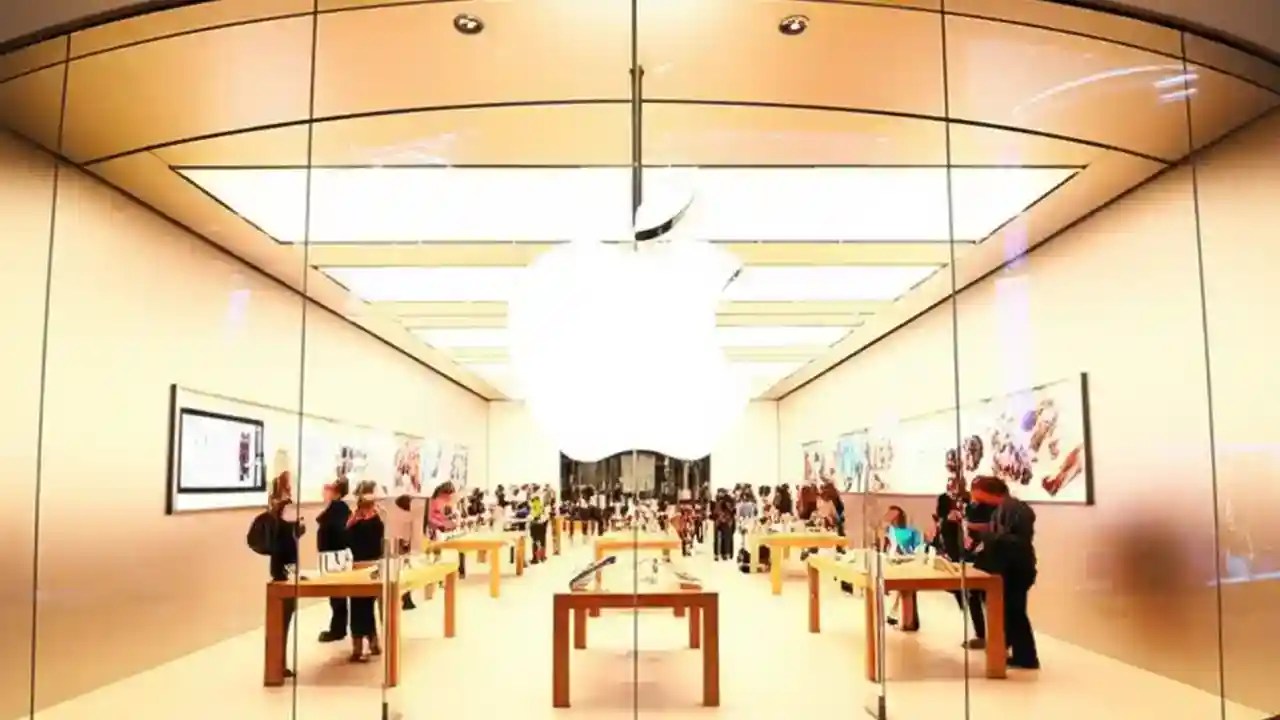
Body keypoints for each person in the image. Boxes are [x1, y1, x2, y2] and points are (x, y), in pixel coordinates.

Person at [970, 475, 1040, 670]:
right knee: (1010, 612)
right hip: (1010, 567)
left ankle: (1026, 657)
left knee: (1015, 612)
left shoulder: (1016, 510)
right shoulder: (1004, 509)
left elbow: (1015, 540)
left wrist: (985, 534)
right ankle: (1016, 652)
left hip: (1016, 568)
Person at [934, 472, 996, 650]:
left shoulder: (983, 506)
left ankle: (995, 636)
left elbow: (990, 527)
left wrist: (966, 524)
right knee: (972, 595)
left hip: (981, 553)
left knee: (986, 596)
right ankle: (981, 634)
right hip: (964, 552)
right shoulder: (949, 503)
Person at [267, 470, 303, 678]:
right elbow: (289, 535)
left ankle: (278, 663)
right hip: (285, 567)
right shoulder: (285, 509)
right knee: (283, 619)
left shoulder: (275, 510)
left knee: (281, 619)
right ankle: (278, 664)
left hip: (280, 565)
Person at [345, 494, 385, 662]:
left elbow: (347, 541)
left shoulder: (355, 524)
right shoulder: (377, 523)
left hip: (357, 567)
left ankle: (359, 645)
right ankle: (372, 641)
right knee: (367, 606)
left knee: (358, 606)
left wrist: (351, 523)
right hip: (372, 567)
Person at [316, 478, 352, 642]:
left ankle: (338, 628)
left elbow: (338, 532)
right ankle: (338, 627)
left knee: (337, 594)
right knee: (337, 594)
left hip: (334, 557)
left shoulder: (338, 509)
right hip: (333, 555)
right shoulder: (338, 509)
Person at [882, 505, 925, 630]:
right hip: (893, 562)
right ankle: (900, 617)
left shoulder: (910, 531)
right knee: (900, 591)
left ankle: (906, 620)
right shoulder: (889, 531)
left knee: (906, 590)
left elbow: (917, 547)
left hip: (907, 562)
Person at [529, 489, 549, 564]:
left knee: (535, 542)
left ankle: (535, 558)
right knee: (542, 542)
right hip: (542, 525)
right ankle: (542, 557)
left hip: (534, 525)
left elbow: (530, 517)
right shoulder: (542, 506)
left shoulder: (532, 506)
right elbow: (546, 517)